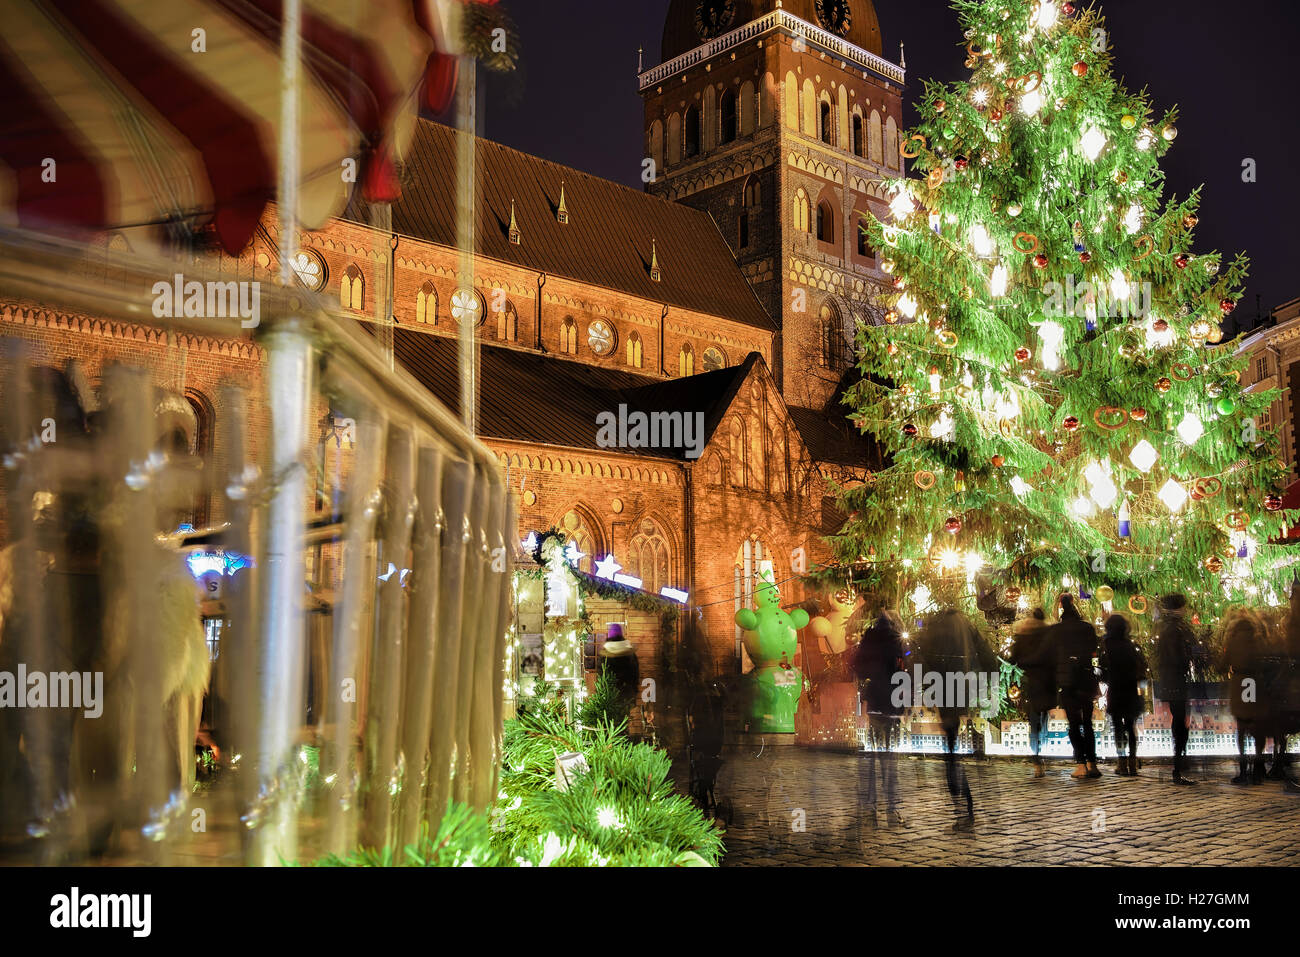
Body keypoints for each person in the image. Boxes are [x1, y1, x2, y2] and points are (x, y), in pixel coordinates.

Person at [918, 608, 990, 831]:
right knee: (951, 751)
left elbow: (926, 662)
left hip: (945, 693)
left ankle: (964, 811)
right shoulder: (966, 626)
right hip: (961, 691)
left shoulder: (936, 630)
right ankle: (964, 811)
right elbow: (986, 654)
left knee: (951, 755)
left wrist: (930, 692)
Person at [852, 608, 907, 829]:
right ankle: (892, 812)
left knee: (872, 759)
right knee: (889, 761)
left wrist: (870, 678)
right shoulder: (897, 641)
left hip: (875, 705)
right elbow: (905, 669)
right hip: (892, 706)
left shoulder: (869, 638)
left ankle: (870, 810)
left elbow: (857, 665)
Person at [1049, 594, 1101, 780]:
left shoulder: (1056, 630)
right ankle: (1092, 763)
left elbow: (1051, 653)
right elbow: (1094, 648)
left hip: (1067, 681)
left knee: (1074, 723)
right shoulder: (1087, 627)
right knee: (1087, 723)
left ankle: (1080, 764)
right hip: (1086, 678)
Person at [1218, 609, 1268, 785]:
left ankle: (1243, 769)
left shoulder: (1232, 641)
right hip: (1253, 682)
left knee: (1241, 728)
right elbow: (1266, 660)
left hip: (1240, 683)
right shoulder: (1258, 639)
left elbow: (1222, 664)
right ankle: (1257, 768)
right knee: (1255, 727)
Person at [1155, 594, 1197, 785]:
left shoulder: (1167, 628)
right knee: (1180, 722)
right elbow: (1176, 657)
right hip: (1175, 681)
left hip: (1171, 680)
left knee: (1179, 721)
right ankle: (1178, 766)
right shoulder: (1174, 630)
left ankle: (1179, 762)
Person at [1010, 609, 1054, 777]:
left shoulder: (1024, 634)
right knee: (1043, 720)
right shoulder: (1049, 634)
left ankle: (1037, 759)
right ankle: (1041, 753)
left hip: (1032, 683)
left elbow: (1014, 658)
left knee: (1034, 722)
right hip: (1048, 683)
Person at [1100, 614, 1145, 777]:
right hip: (1131, 690)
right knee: (1130, 727)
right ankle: (1132, 762)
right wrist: (1142, 691)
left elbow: (1102, 670)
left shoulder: (1106, 645)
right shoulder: (1131, 645)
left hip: (1116, 689)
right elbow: (1142, 669)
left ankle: (1122, 762)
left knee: (1118, 727)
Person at [599, 623, 640, 718]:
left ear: (609, 635)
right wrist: (634, 691)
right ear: (621, 635)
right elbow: (635, 675)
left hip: (609, 696)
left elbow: (601, 675)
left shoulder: (605, 655)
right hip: (627, 694)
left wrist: (601, 693)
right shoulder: (630, 654)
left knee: (609, 723)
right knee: (624, 722)